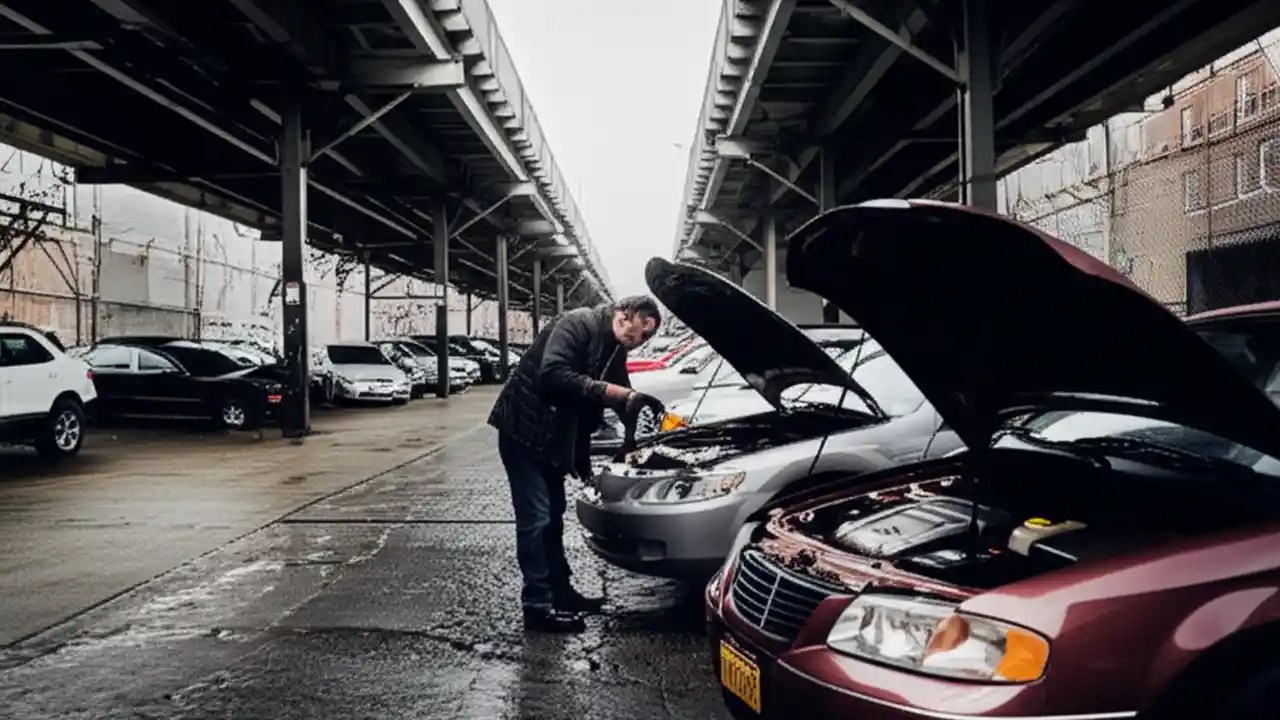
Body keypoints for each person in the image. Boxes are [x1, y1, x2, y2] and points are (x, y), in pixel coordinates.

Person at [488, 295, 665, 632]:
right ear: (625, 315)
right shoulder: (577, 323)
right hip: (522, 432)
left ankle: (561, 592)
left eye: (645, 338)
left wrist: (638, 427)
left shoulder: (614, 347)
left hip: (551, 439)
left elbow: (620, 395)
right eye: (640, 332)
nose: (640, 340)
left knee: (553, 516)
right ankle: (537, 607)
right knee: (537, 519)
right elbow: (553, 376)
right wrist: (615, 395)